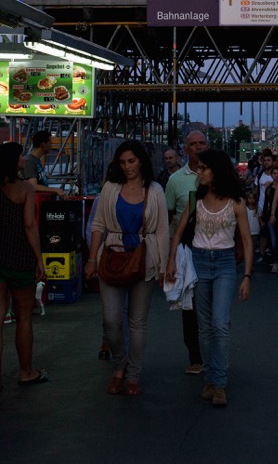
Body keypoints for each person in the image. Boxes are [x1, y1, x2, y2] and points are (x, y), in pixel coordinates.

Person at [167, 149, 253, 408]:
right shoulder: (196, 198)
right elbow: (180, 229)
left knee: (219, 323)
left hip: (225, 262)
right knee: (204, 327)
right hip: (199, 261)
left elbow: (247, 240)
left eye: (204, 168)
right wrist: (171, 260)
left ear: (217, 171)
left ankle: (219, 382)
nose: (199, 172)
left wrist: (247, 276)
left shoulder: (236, 201)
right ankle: (211, 378)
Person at [84, 140, 169, 397]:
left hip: (145, 258)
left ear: (141, 161)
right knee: (111, 321)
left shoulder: (155, 190)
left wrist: (164, 266)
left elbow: (162, 230)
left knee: (137, 322)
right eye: (122, 162)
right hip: (112, 255)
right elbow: (98, 224)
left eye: (131, 161)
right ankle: (120, 364)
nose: (127, 167)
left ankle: (132, 375)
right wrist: (92, 259)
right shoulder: (110, 188)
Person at [0, 142, 48, 392]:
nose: (23, 160)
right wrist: (39, 258)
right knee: (24, 317)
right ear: (12, 161)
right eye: (19, 157)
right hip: (19, 258)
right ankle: (26, 372)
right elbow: (29, 225)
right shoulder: (25, 188)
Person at [165, 131, 206, 374]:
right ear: (186, 148)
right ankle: (195, 357)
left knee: (213, 306)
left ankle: (214, 354)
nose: (198, 147)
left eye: (202, 143)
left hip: (214, 249)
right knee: (189, 306)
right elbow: (169, 219)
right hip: (187, 250)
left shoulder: (219, 176)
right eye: (193, 144)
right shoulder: (176, 180)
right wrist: (170, 257)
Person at [22, 131, 67, 198]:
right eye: (50, 143)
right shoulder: (29, 161)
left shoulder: (36, 160)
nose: (51, 146)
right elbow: (33, 186)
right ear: (43, 144)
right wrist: (56, 190)